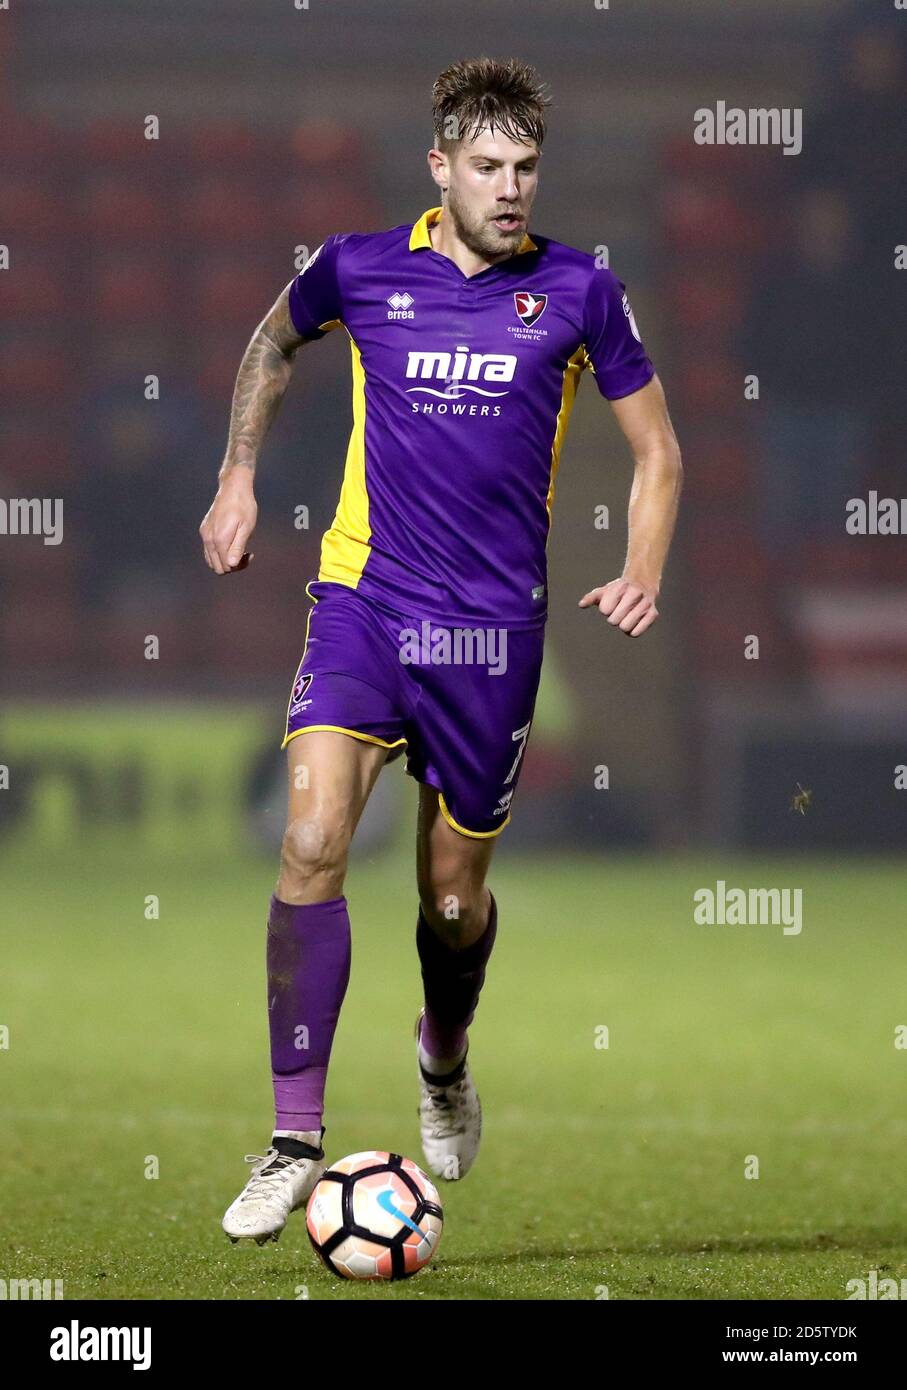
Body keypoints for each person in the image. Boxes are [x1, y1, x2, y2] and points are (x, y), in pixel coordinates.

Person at [199, 56, 682, 1245]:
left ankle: (444, 1056)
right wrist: (238, 478)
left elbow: (659, 453)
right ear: (440, 169)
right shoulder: (361, 267)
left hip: (491, 636)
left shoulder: (580, 291)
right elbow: (271, 342)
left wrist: (640, 569)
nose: (510, 187)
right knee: (311, 839)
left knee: (453, 902)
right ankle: (291, 1139)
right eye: (487, 167)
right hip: (365, 602)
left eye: (526, 168)